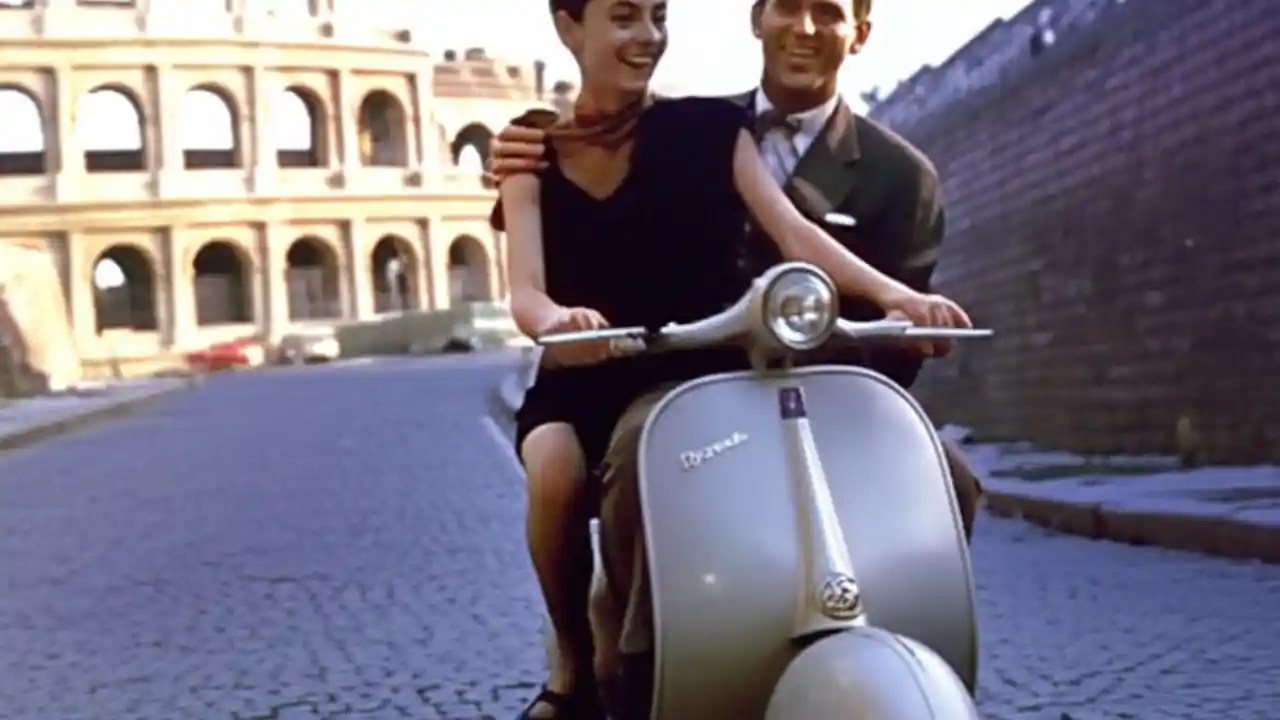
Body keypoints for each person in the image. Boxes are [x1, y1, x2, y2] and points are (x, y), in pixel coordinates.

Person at [494, 1, 974, 718]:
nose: (647, 36)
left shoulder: (710, 129)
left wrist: (895, 295)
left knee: (946, 478)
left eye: (658, 17)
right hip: (592, 369)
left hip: (703, 371)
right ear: (568, 28)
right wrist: (558, 321)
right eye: (624, 18)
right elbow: (525, 289)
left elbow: (793, 233)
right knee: (561, 468)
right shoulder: (533, 149)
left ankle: (902, 631)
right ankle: (587, 660)